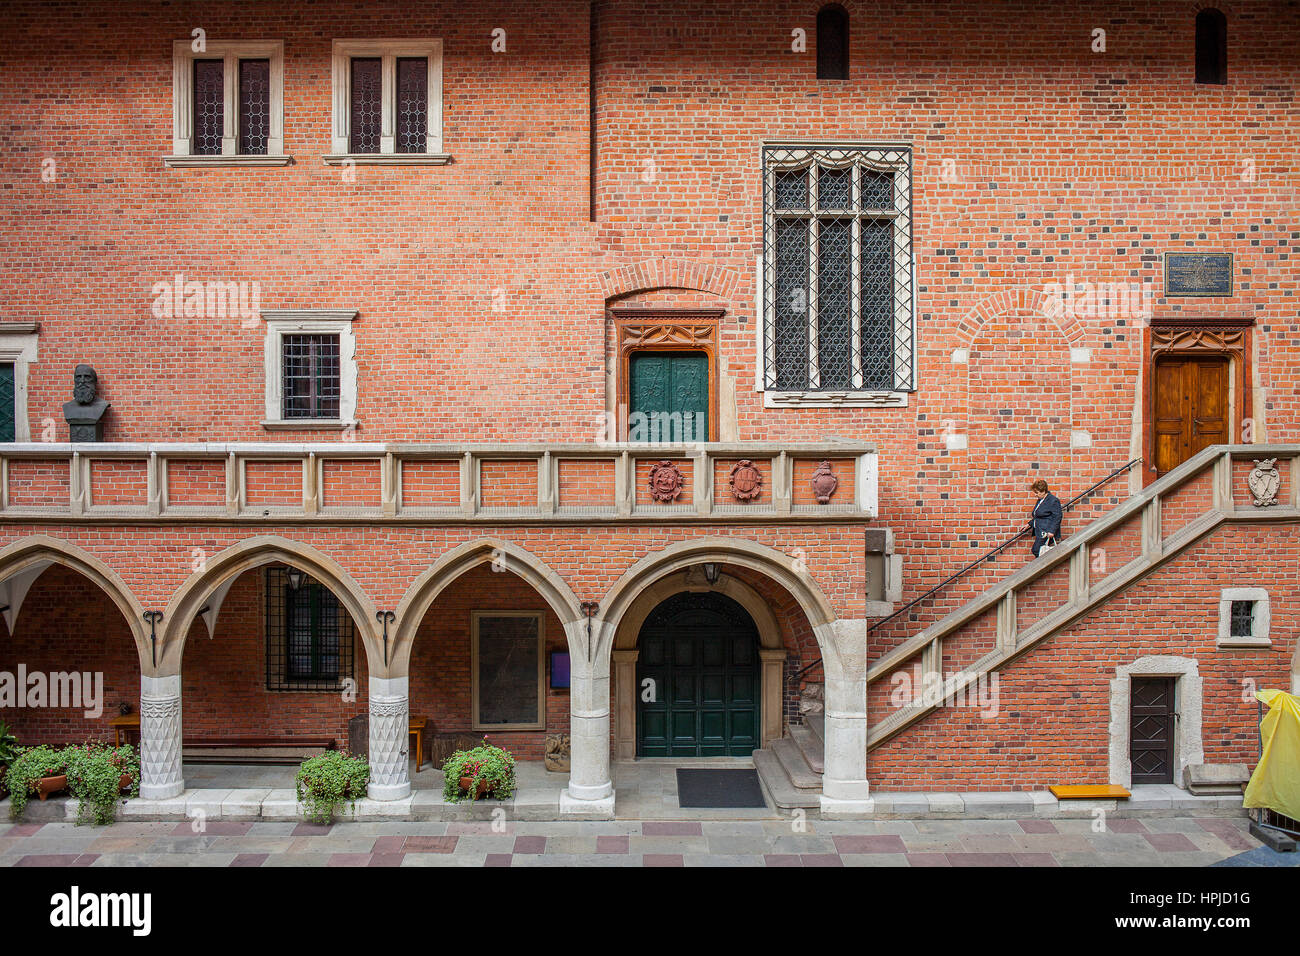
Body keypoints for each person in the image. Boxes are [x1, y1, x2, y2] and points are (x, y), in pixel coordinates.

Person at [1028, 479, 1062, 557]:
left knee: (1036, 550)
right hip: (1040, 531)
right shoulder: (1040, 500)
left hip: (1046, 532)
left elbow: (1057, 516)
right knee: (1039, 551)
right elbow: (1037, 515)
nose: (1035, 494)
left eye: (1037, 492)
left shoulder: (1053, 500)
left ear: (1043, 491)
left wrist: (1052, 531)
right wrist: (1029, 524)